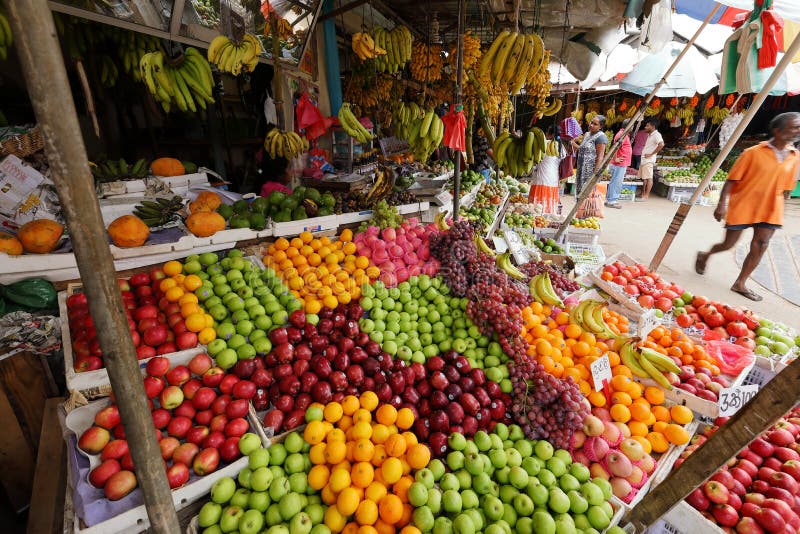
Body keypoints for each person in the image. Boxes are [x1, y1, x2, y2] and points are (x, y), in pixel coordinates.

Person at [694, 112, 800, 302]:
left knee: (761, 244)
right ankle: (705, 255)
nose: (797, 131)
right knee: (728, 244)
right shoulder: (753, 152)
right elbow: (731, 180)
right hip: (745, 204)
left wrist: (782, 205)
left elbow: (787, 187)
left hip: (771, 208)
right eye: (793, 127)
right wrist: (721, 205)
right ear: (777, 130)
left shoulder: (794, 156)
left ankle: (740, 283)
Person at [528, 124, 563, 214]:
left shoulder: (544, 144)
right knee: (548, 205)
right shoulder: (560, 146)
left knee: (536, 207)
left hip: (541, 178)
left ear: (549, 134)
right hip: (553, 179)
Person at [572, 115, 607, 197]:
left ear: (600, 126)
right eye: (591, 122)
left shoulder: (601, 137)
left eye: (595, 124)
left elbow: (600, 157)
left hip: (590, 172)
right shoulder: (587, 134)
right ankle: (580, 209)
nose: (591, 125)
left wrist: (594, 174)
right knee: (580, 193)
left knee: (588, 195)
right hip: (581, 169)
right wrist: (573, 143)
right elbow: (582, 149)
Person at [605, 119, 633, 209]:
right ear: (629, 126)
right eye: (632, 125)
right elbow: (616, 147)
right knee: (616, 182)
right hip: (619, 163)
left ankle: (611, 199)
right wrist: (615, 158)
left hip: (621, 163)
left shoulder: (623, 134)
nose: (633, 127)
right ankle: (612, 201)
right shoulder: (622, 135)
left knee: (616, 181)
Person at [637, 118, 664, 200]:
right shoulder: (650, 135)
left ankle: (646, 195)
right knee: (644, 178)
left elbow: (661, 144)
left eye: (647, 126)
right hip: (644, 159)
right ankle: (642, 193)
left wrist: (651, 154)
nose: (645, 127)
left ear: (653, 126)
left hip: (648, 160)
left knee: (649, 178)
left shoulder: (657, 135)